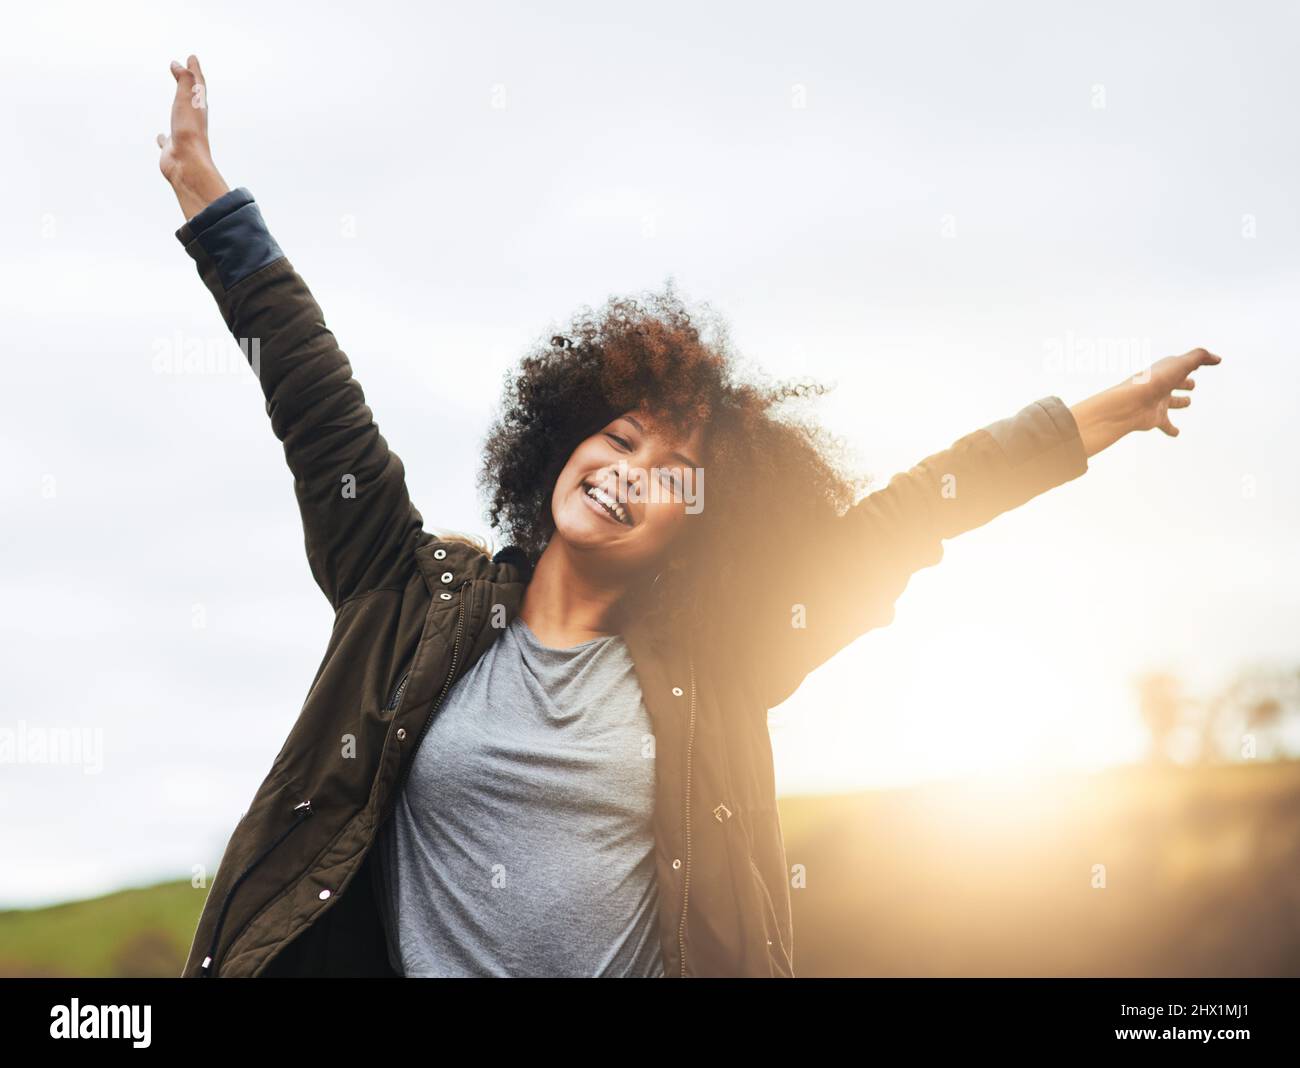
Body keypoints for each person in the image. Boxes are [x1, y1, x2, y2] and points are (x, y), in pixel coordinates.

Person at [157, 55, 1222, 978]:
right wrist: (217, 213)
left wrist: (1079, 424)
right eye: (617, 441)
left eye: (669, 472)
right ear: (560, 447)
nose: (627, 473)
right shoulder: (409, 600)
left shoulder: (721, 661)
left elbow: (898, 522)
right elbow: (318, 409)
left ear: (701, 523)